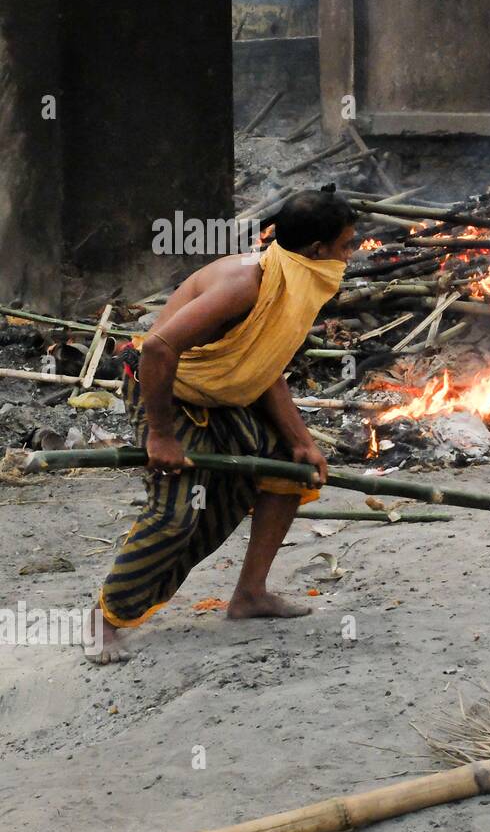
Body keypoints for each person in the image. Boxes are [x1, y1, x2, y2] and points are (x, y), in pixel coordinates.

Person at [87, 189, 358, 663]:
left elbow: (263, 361)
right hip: (165, 389)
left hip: (223, 392)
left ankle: (250, 594)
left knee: (285, 470)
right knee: (176, 513)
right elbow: (157, 349)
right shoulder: (246, 282)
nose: (350, 255)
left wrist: (302, 441)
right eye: (347, 245)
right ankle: (102, 621)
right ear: (317, 251)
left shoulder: (294, 282)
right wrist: (162, 435)